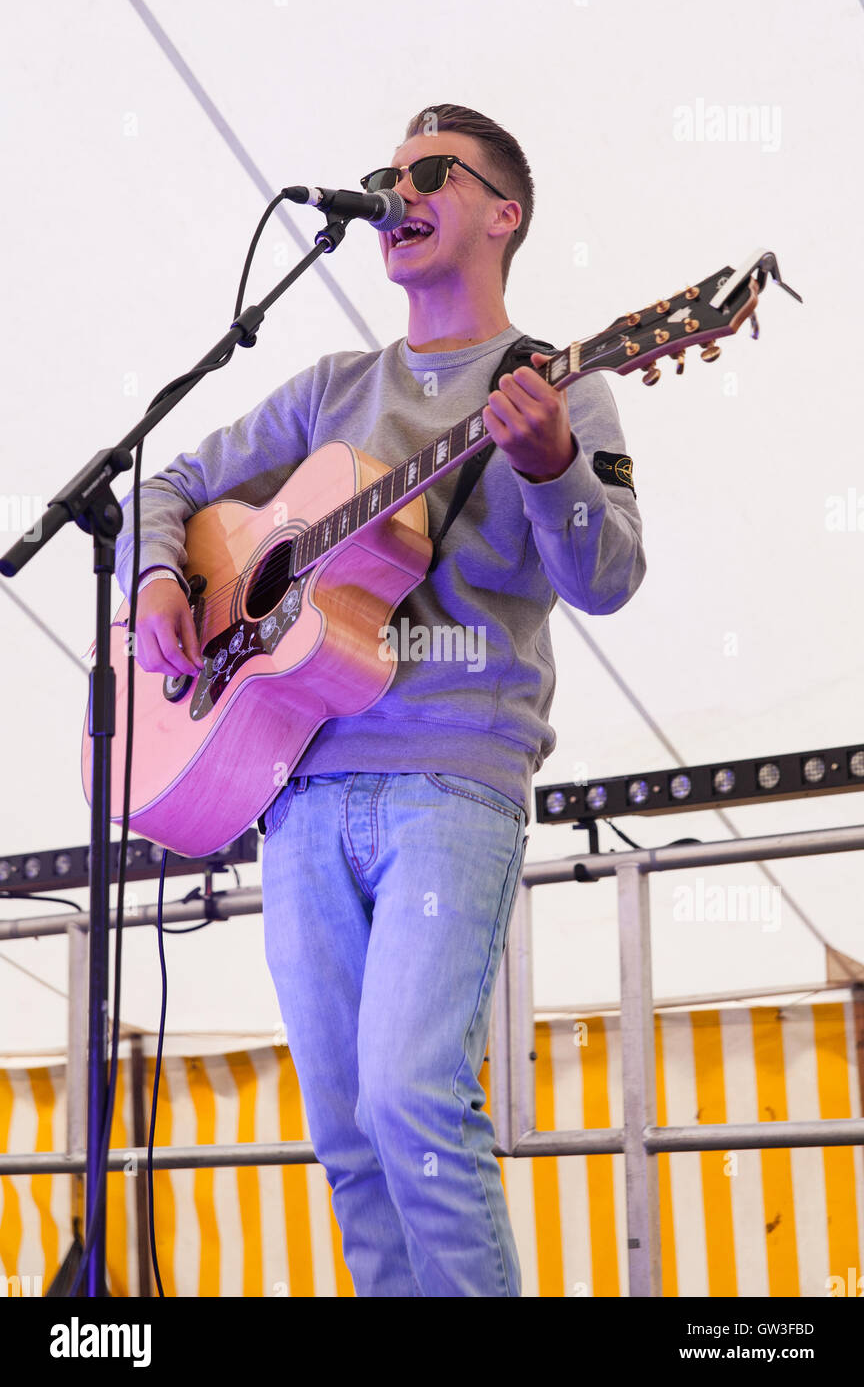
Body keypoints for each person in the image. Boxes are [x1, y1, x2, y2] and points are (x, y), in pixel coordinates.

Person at [115, 103, 646, 1297]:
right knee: (349, 1136)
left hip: (456, 779)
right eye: (387, 177)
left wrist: (553, 465)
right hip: (298, 788)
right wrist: (157, 571)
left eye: (430, 174)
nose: (397, 193)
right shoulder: (330, 391)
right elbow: (173, 482)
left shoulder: (568, 384)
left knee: (411, 1093)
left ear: (503, 214)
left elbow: (607, 576)